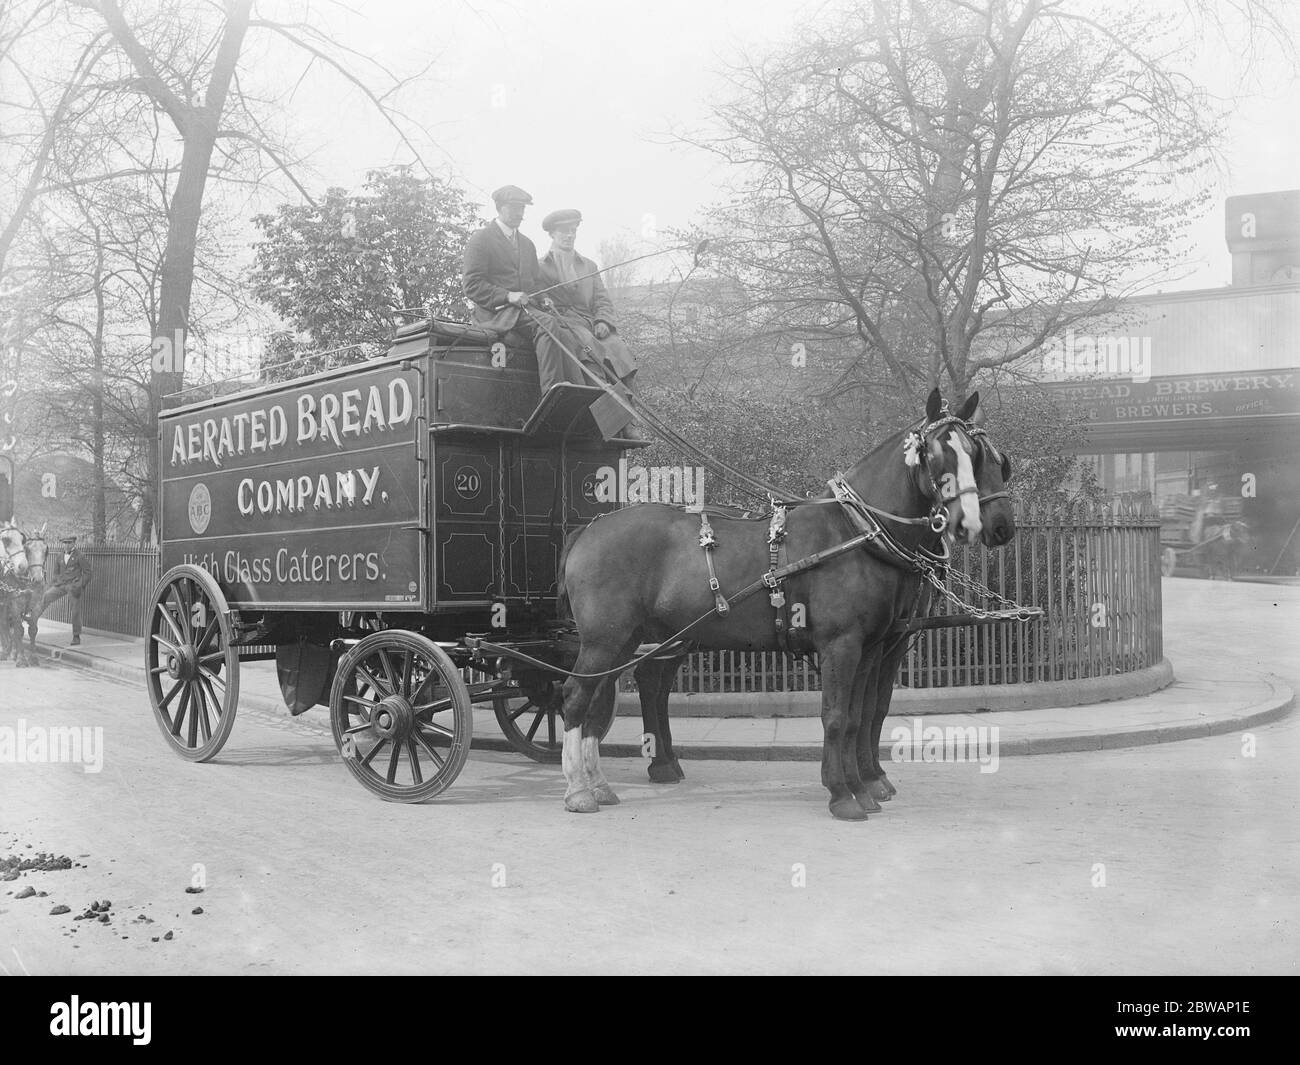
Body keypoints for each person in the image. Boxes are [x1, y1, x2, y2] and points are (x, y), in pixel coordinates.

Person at [461, 185, 591, 392]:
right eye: (514, 208)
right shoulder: (481, 239)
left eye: (522, 208)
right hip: (495, 315)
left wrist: (544, 298)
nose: (519, 213)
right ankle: (552, 390)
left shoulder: (527, 244)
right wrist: (507, 296)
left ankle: (577, 393)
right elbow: (472, 285)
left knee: (566, 332)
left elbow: (535, 282)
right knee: (547, 323)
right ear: (500, 208)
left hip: (525, 312)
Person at [535, 209, 637, 391]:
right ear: (552, 234)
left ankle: (629, 405)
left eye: (573, 231)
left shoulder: (589, 266)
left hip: (591, 322)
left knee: (619, 349)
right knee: (588, 349)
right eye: (563, 231)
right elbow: (538, 300)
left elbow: (602, 299)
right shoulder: (540, 267)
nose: (569, 235)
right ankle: (601, 398)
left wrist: (603, 320)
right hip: (565, 324)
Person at [39, 534, 92, 645]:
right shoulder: (59, 556)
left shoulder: (80, 556)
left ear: (74, 543)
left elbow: (88, 573)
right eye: (65, 543)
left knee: (75, 611)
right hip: (61, 585)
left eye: (69, 543)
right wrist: (57, 582)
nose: (66, 545)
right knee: (47, 595)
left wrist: (79, 585)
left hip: (74, 586)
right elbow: (56, 573)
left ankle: (76, 636)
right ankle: (33, 618)